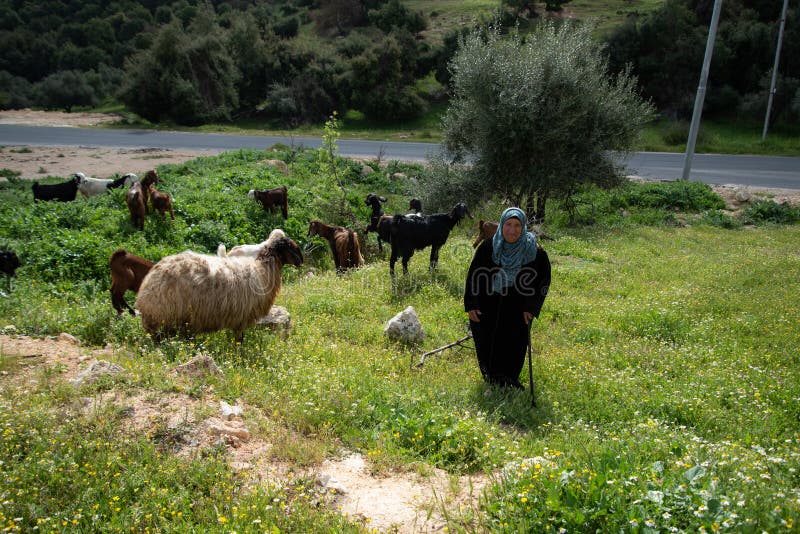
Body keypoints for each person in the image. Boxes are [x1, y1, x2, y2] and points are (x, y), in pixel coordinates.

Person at [464, 207, 551, 388]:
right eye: (508, 225)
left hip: (519, 306)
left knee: (514, 341)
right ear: (502, 225)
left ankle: (509, 378)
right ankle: (491, 376)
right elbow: (474, 275)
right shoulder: (489, 246)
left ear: (523, 226)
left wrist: (531, 307)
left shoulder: (534, 251)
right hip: (489, 303)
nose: (512, 230)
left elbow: (543, 281)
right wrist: (472, 303)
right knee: (487, 339)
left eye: (517, 225)